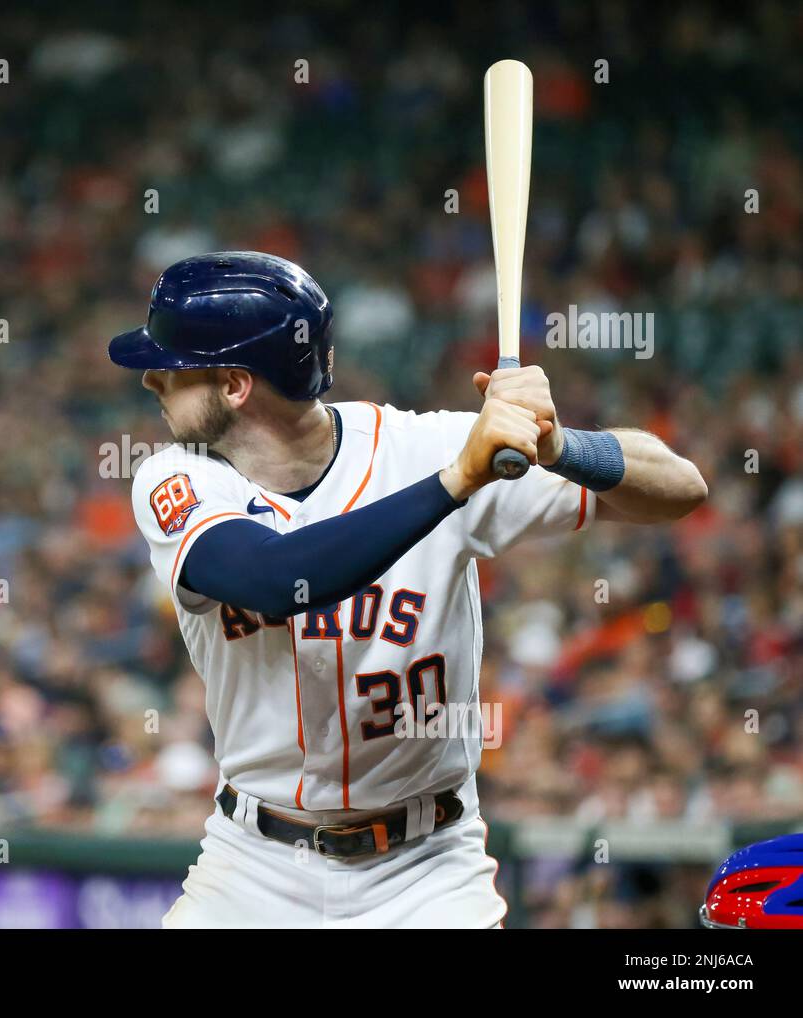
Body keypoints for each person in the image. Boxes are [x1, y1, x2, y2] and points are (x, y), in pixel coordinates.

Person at [109, 251, 708, 928]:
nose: (153, 379)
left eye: (173, 367)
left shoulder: (424, 447)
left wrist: (558, 444)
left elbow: (681, 487)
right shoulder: (176, 477)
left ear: (236, 384)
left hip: (426, 871)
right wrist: (457, 483)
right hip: (254, 865)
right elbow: (275, 581)